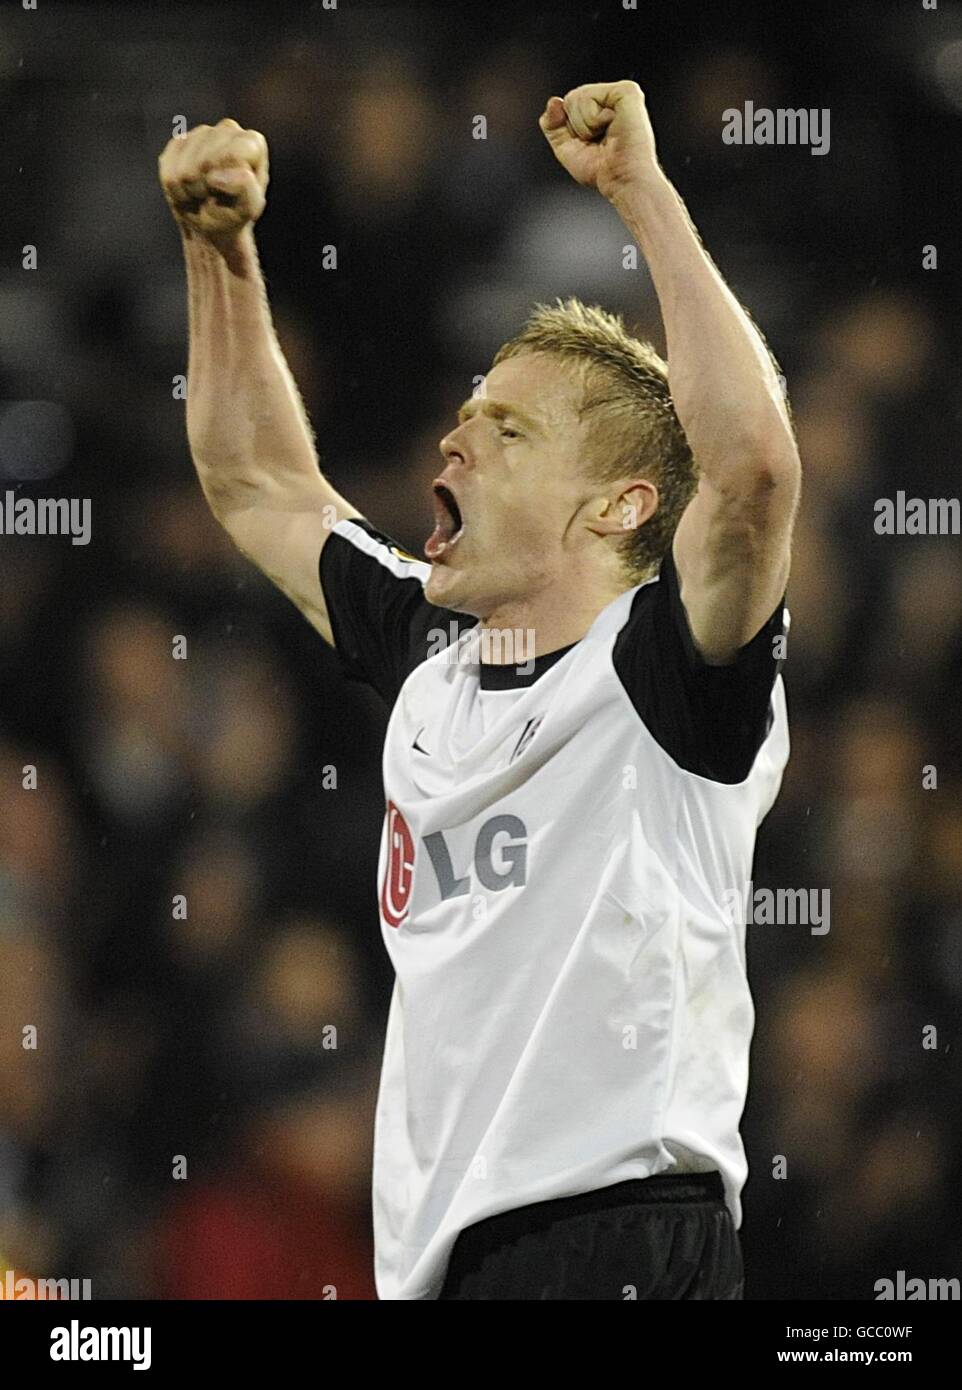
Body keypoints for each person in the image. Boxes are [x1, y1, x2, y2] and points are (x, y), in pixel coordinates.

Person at [158, 79, 801, 1300]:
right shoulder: (428, 654)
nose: (452, 442)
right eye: (464, 415)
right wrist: (220, 251)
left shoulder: (666, 671)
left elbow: (755, 467)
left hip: (620, 1237)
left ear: (617, 505)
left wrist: (637, 195)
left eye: (505, 432)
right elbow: (255, 482)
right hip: (441, 1267)